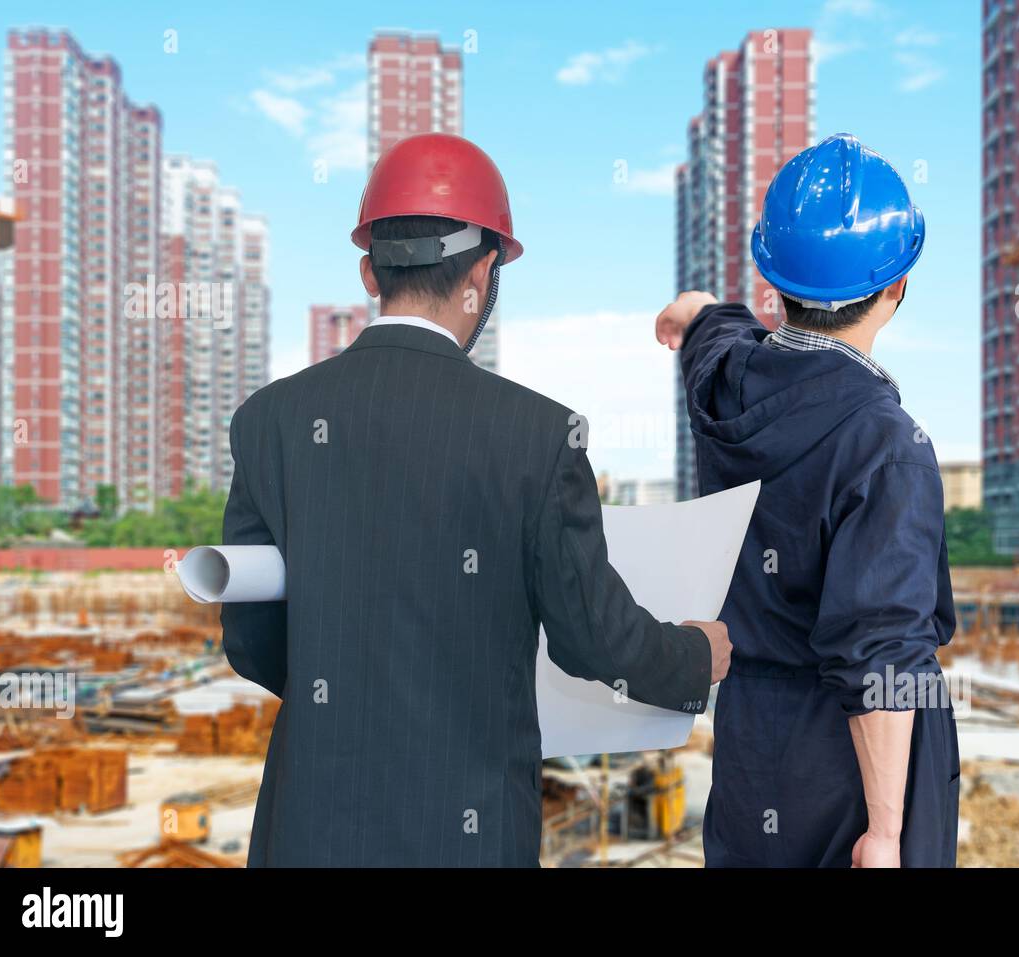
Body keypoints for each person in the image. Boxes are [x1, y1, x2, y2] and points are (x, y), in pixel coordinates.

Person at [220, 133, 731, 867]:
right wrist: (691, 656)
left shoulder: (268, 421)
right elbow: (594, 637)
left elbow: (252, 639)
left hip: (309, 828)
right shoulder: (538, 435)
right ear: (485, 272)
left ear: (370, 271)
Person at [656, 133, 959, 868]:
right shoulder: (887, 445)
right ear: (897, 287)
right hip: (844, 768)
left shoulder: (723, 378)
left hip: (750, 748)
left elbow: (706, 323)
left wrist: (687, 312)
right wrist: (886, 831)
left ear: (775, 280)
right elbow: (880, 653)